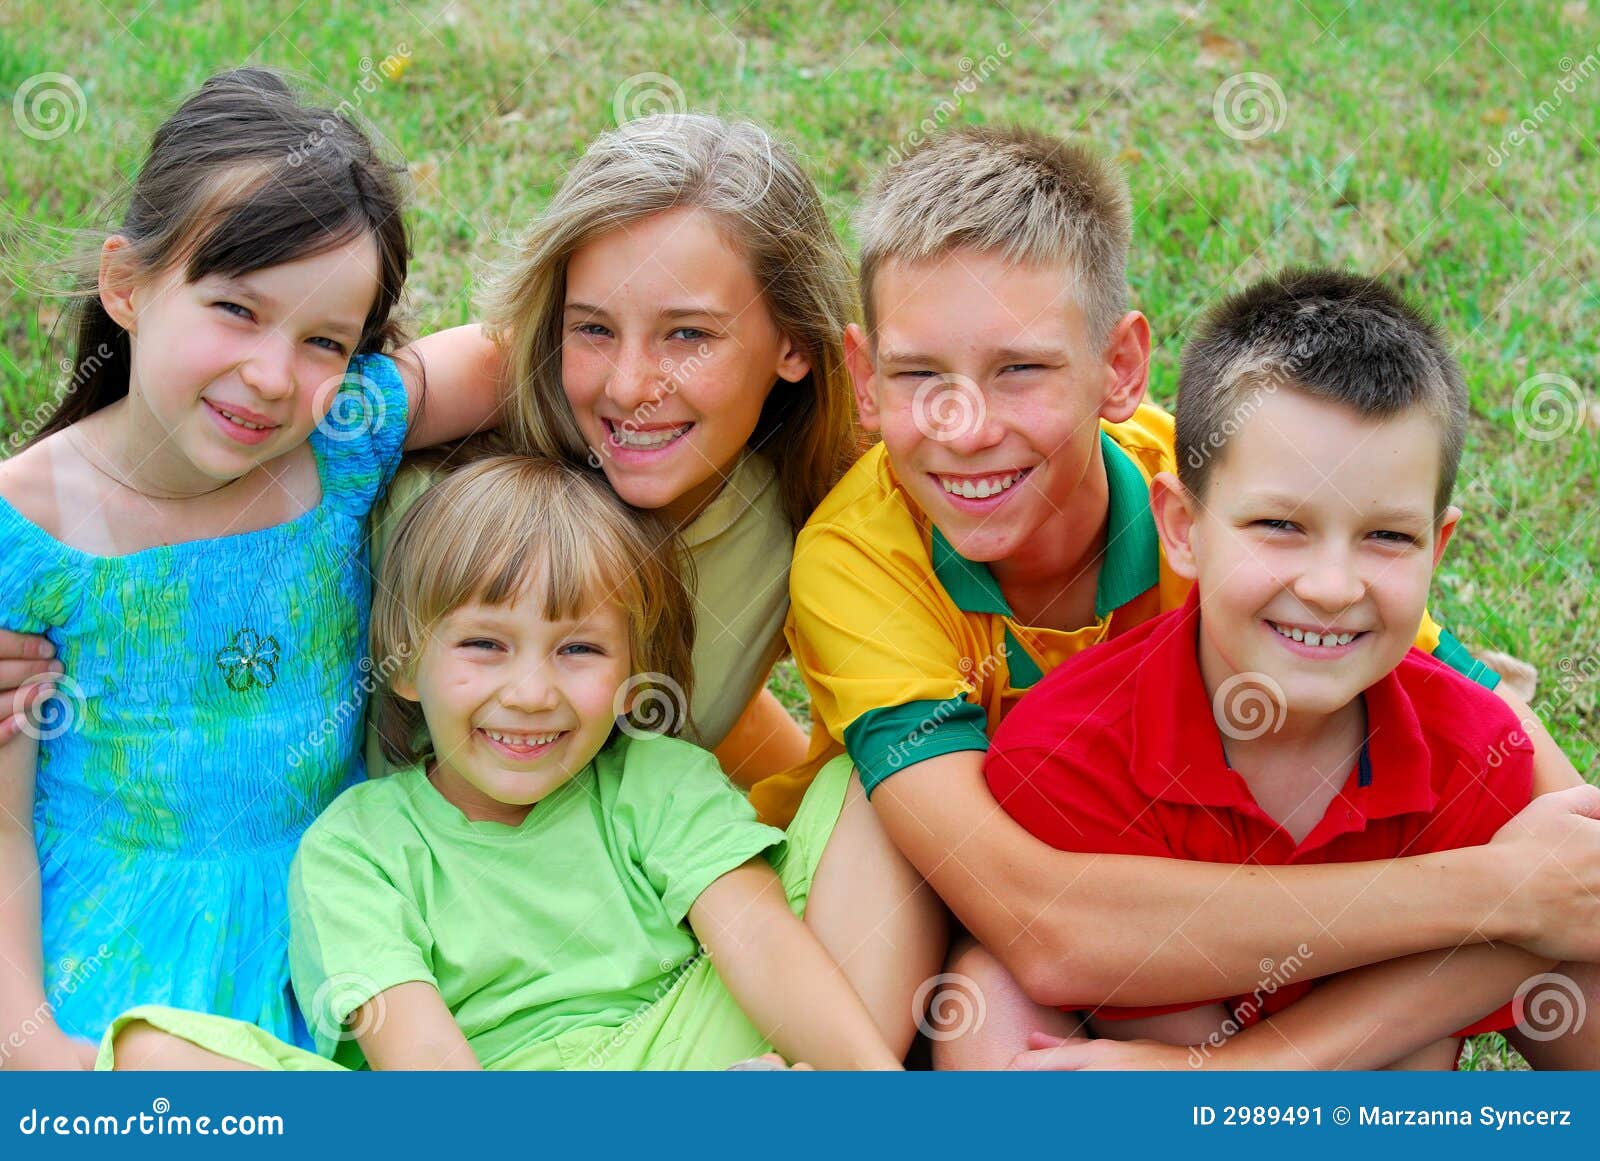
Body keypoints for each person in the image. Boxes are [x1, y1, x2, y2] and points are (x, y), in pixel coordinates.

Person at [777, 124, 1600, 1067]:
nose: (966, 427)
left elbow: (1539, 802)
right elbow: (1040, 926)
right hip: (1006, 915)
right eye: (921, 374)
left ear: (1121, 368)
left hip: (1208, 920)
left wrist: (1545, 874)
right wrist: (1501, 894)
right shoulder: (856, 555)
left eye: (1022, 369)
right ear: (865, 379)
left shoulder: (1235, 493)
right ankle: (845, 1092)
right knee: (908, 859)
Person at [0, 68, 500, 1066]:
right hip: (121, 949)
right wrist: (27, 1042)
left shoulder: (342, 437)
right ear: (127, 284)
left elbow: (507, 352)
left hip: (348, 911)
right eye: (234, 308)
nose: (273, 377)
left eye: (323, 339)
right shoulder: (30, 530)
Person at [99, 457, 901, 1071]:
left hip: (684, 1050)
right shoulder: (357, 849)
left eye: (579, 649)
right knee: (151, 1056)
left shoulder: (655, 778)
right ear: (406, 664)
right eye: (485, 644)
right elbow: (424, 1069)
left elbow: (761, 940)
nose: (530, 692)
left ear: (629, 676)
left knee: (874, 789)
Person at [988, 268, 1597, 1070]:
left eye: (1387, 537)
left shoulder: (1475, 756)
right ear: (1181, 527)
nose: (1332, 586)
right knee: (985, 997)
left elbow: (1562, 915)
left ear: (1437, 549)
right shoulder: (1065, 753)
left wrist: (1206, 1082)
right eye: (1280, 524)